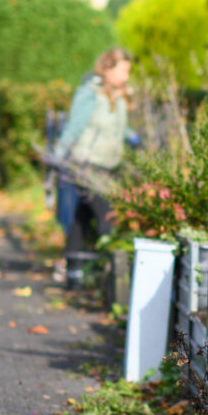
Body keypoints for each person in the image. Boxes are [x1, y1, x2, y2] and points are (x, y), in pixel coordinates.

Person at [52, 48, 136, 262]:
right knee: (107, 216)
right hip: (86, 165)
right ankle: (110, 269)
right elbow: (74, 127)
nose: (126, 76)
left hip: (108, 166)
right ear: (107, 69)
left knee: (83, 216)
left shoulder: (118, 94)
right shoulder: (90, 93)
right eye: (123, 70)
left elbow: (117, 126)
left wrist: (134, 138)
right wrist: (57, 156)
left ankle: (71, 267)